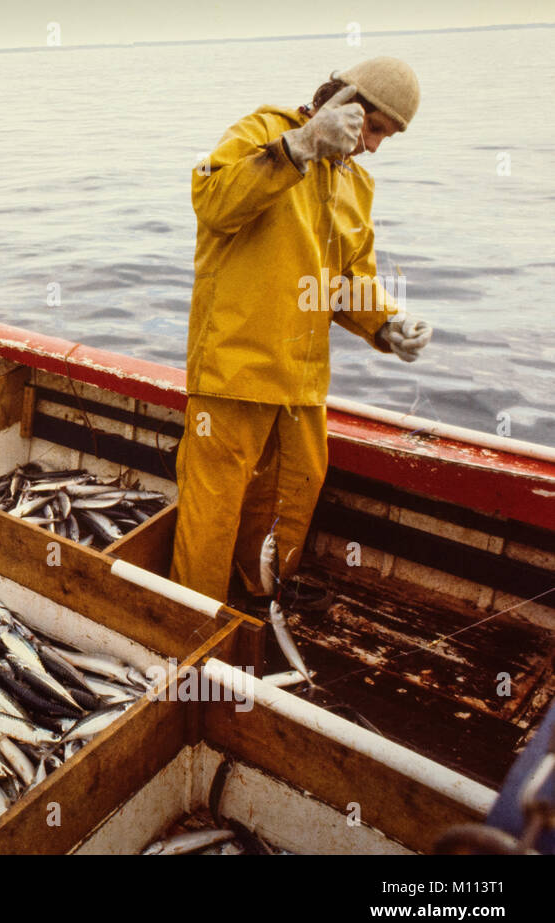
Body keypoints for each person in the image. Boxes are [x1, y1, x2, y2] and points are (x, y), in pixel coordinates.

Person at [171, 57, 432, 604]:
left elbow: (347, 282)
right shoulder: (262, 133)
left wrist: (387, 324)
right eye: (377, 128)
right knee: (212, 514)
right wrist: (299, 147)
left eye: (390, 136)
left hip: (302, 384)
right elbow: (213, 204)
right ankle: (191, 630)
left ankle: (256, 603)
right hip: (232, 374)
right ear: (347, 100)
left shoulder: (356, 184)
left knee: (291, 500)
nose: (376, 146)